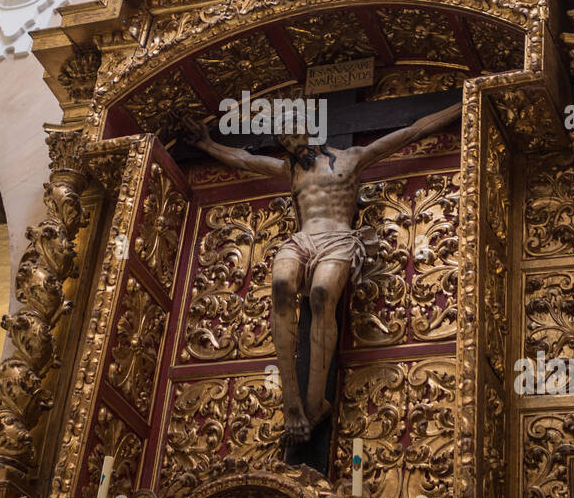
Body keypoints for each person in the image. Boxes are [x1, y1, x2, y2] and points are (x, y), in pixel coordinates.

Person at [189, 100, 462, 441]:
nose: (287, 142)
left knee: (320, 296)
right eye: (282, 140)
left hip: (339, 239)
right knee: (281, 284)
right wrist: (205, 144)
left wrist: (461, 104)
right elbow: (243, 159)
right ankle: (291, 400)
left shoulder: (352, 157)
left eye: (290, 133)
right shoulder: (291, 170)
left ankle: (315, 402)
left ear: (307, 128)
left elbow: (413, 131)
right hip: (303, 239)